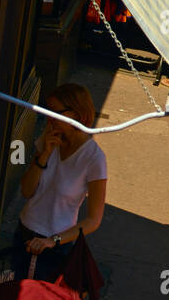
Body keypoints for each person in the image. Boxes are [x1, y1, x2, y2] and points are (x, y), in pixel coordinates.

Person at [15, 83, 107, 283]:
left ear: (77, 114)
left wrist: (52, 241)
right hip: (24, 231)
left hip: (55, 244)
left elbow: (94, 220)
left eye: (55, 112)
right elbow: (26, 190)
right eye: (47, 110)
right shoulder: (48, 140)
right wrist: (44, 154)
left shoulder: (94, 158)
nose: (49, 118)